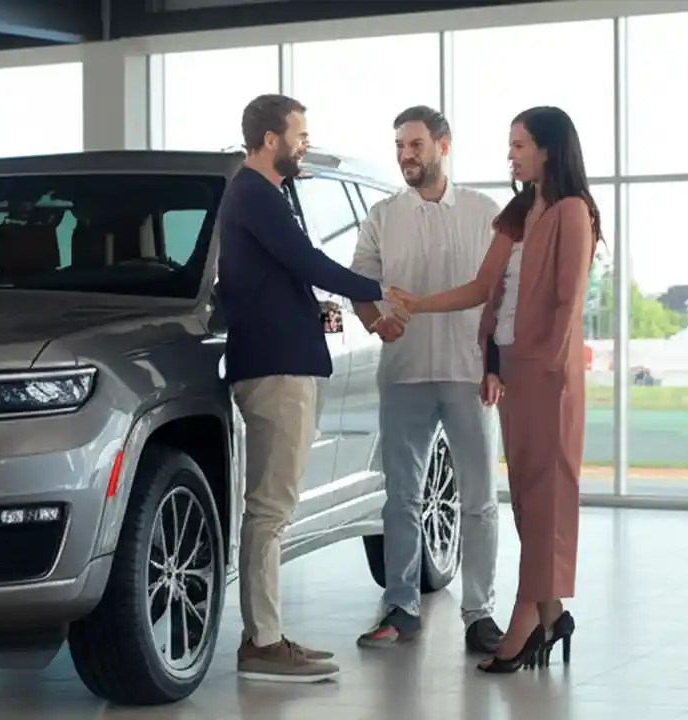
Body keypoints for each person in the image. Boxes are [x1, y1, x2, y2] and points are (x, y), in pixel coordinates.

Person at [390, 105, 598, 673]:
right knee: (528, 501)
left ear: (549, 150)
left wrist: (549, 371)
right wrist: (419, 304)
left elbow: (568, 302)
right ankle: (553, 614)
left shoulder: (573, 212)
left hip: (549, 377)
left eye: (520, 145)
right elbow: (484, 288)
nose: (510, 155)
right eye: (510, 145)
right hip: (513, 372)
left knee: (549, 497)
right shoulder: (517, 214)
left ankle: (528, 616)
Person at [217, 93, 409, 683]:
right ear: (270, 139)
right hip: (276, 370)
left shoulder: (262, 195)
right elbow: (307, 260)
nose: (305, 144)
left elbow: (279, 275)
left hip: (282, 361)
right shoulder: (256, 193)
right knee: (270, 509)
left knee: (271, 507)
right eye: (299, 135)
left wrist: (312, 308)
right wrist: (378, 288)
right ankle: (262, 643)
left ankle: (266, 635)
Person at [349, 106, 505, 654]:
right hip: (404, 374)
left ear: (443, 145)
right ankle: (401, 608)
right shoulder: (383, 215)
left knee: (479, 500)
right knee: (401, 498)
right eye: (399, 145)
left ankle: (480, 614)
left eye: (414, 144)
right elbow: (359, 282)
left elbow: (501, 295)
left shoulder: (485, 212)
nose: (404, 155)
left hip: (469, 374)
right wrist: (375, 321)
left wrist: (497, 365)